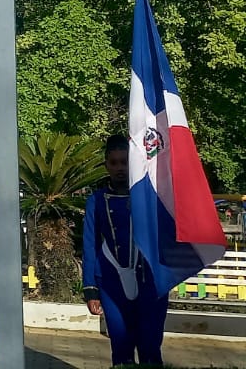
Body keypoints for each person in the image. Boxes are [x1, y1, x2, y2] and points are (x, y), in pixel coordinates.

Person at [83, 134, 168, 367]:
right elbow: (90, 243)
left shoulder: (151, 196)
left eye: (125, 162)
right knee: (121, 345)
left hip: (149, 280)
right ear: (106, 165)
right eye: (114, 163)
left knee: (150, 344)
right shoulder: (97, 200)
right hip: (111, 280)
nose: (120, 168)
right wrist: (90, 289)